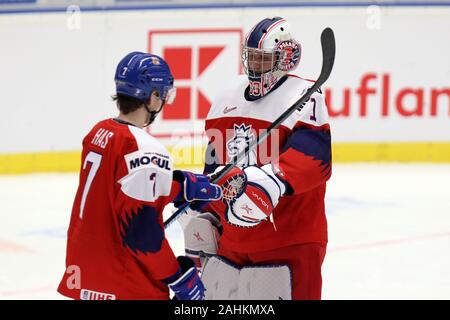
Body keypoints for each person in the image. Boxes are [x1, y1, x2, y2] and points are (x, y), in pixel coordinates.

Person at [180, 17, 332, 300]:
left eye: (262, 59)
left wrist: (273, 180)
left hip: (288, 240)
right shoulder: (226, 97)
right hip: (232, 241)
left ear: (285, 58)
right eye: (250, 58)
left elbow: (315, 160)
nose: (254, 66)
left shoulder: (304, 96)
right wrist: (206, 208)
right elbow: (215, 161)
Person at [57, 52, 222, 300]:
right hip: (126, 283)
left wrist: (178, 187)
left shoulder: (99, 132)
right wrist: (176, 276)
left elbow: (117, 190)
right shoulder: (145, 147)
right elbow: (142, 235)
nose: (164, 100)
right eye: (164, 93)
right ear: (153, 96)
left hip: (87, 276)